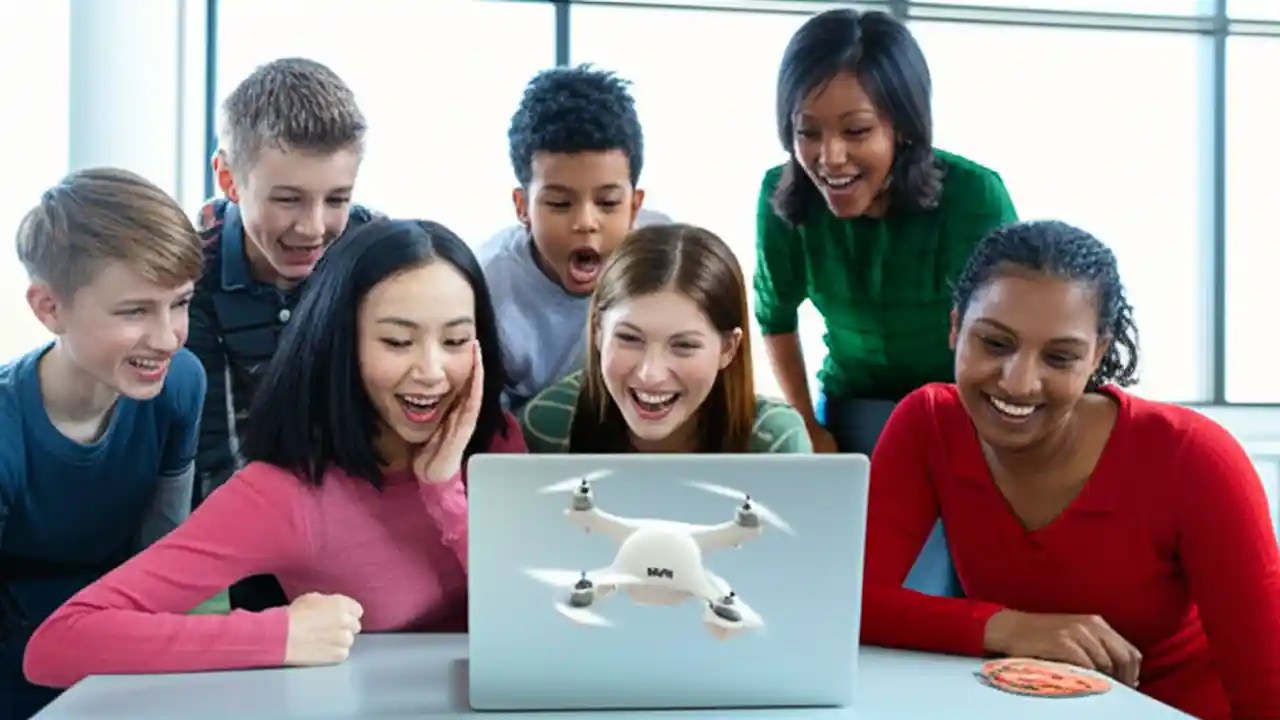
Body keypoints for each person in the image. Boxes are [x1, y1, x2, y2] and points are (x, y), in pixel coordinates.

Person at [22, 219, 526, 689]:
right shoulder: (285, 495)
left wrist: (445, 493)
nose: (433, 371)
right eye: (397, 342)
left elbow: (540, 617)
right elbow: (60, 642)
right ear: (340, 344)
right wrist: (279, 635)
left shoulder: (495, 442)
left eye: (457, 340)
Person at [859, 219, 1280, 720]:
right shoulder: (927, 424)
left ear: (1098, 354)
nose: (1018, 382)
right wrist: (1010, 627)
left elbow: (1267, 691)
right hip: (1019, 707)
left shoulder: (1193, 457)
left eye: (1059, 357)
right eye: (994, 344)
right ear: (955, 327)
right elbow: (852, 604)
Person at [754, 8, 1018, 596]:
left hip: (963, 410)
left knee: (951, 579)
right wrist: (807, 423)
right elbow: (774, 319)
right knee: (857, 580)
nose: (830, 157)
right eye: (807, 132)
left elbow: (1005, 335)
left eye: (855, 131)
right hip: (856, 408)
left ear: (902, 126)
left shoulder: (974, 196)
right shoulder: (781, 198)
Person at [1, 168, 206, 719]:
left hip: (124, 659)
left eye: (180, 303)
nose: (167, 338)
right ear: (49, 308)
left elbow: (162, 553)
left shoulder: (181, 384)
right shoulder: (6, 432)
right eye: (135, 310)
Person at [189, 57, 381, 612]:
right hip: (243, 527)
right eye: (287, 199)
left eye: (337, 199)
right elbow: (216, 464)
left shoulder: (374, 251)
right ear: (228, 179)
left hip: (358, 512)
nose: (312, 227)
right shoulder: (189, 273)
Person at [520, 223, 810, 455]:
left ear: (728, 347)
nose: (651, 374)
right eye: (630, 339)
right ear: (597, 331)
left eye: (684, 346)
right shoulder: (550, 423)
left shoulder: (774, 442)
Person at [478, 64, 670, 412]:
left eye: (608, 203)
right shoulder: (487, 285)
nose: (585, 222)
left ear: (634, 206)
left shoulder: (667, 262)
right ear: (522, 207)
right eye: (559, 203)